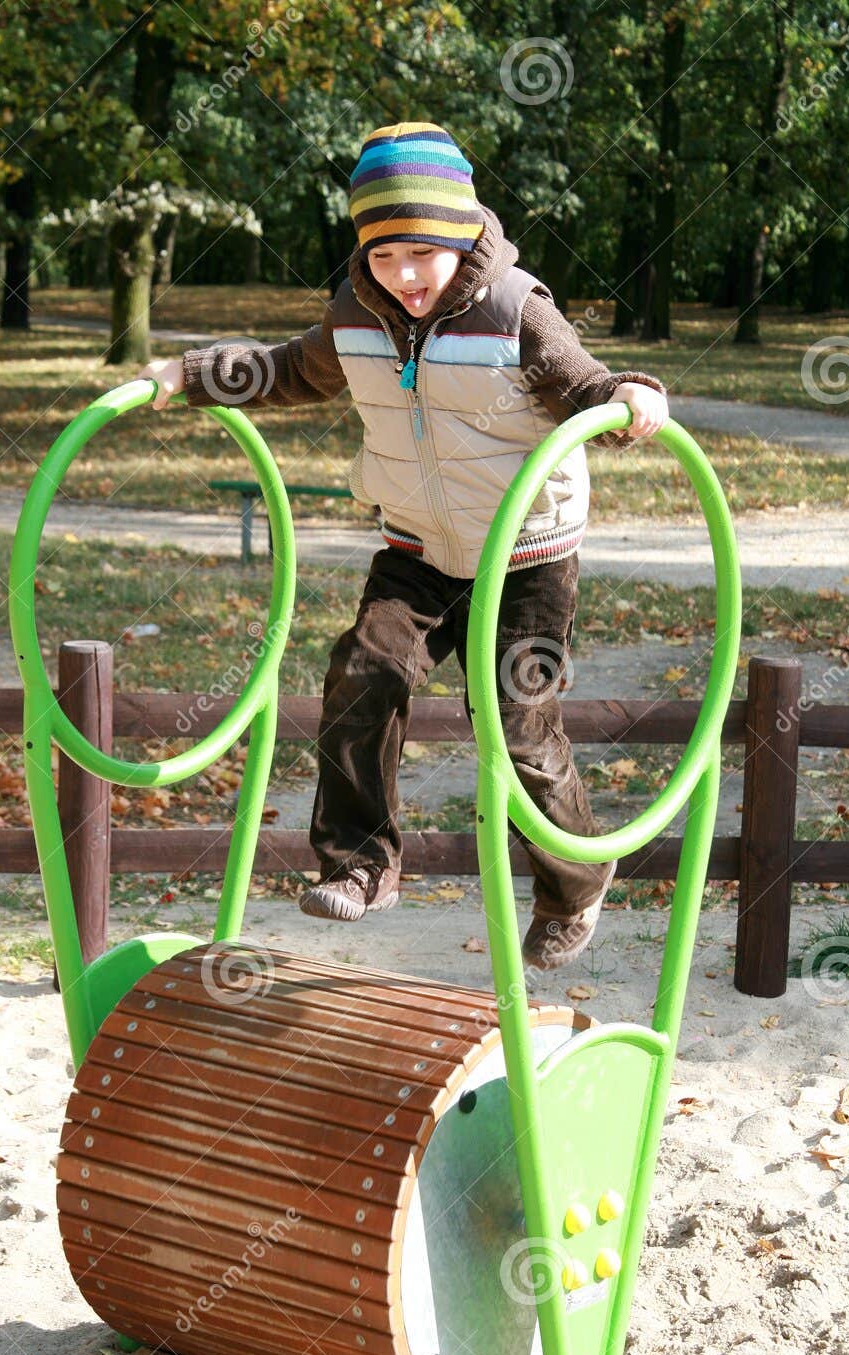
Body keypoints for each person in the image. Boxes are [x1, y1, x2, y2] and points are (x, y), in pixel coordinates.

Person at [140, 120, 668, 969]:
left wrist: (631, 398)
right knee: (361, 671)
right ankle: (362, 864)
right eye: (383, 257)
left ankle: (577, 882)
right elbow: (286, 370)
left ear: (462, 235)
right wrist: (192, 374)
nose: (404, 277)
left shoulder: (514, 311)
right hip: (416, 550)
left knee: (518, 727)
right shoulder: (355, 314)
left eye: (420, 254)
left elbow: (585, 387)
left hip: (527, 553)